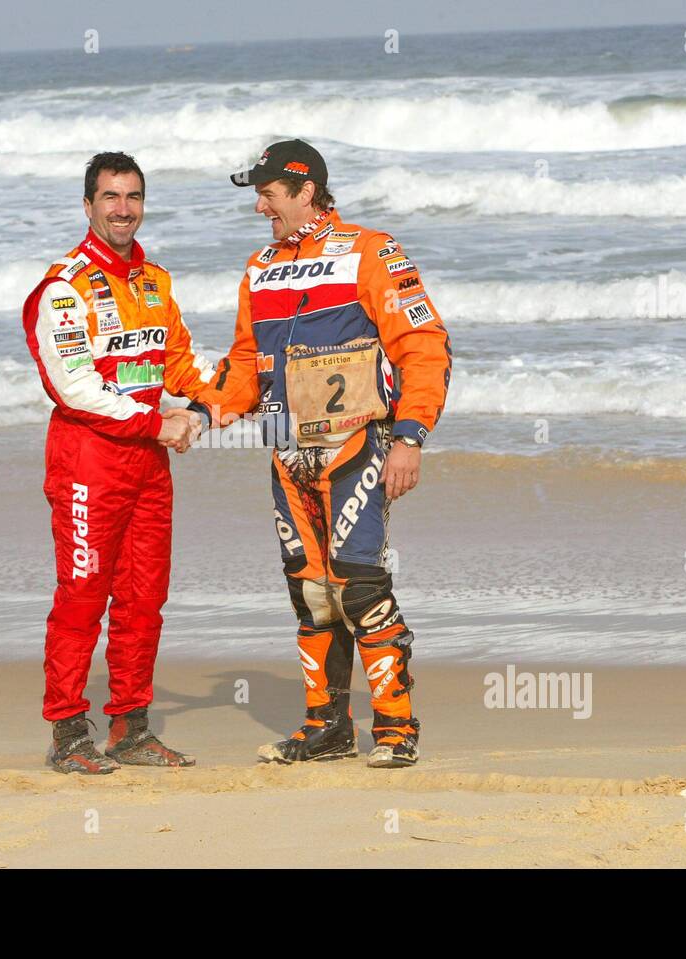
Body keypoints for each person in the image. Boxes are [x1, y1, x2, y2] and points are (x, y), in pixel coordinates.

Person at [189, 140, 451, 768]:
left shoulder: (370, 250)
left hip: (359, 444)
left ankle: (395, 728)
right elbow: (247, 367)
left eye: (268, 193)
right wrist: (201, 412)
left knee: (358, 585)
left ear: (306, 190)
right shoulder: (259, 268)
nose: (259, 206)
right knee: (310, 592)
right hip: (284, 447)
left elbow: (423, 345)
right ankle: (327, 728)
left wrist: (411, 437)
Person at [22, 151, 213, 774]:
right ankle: (68, 734)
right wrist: (162, 422)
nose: (123, 209)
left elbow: (179, 366)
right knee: (82, 597)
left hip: (149, 466)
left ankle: (130, 729)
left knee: (143, 598)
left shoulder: (155, 282)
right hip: (87, 462)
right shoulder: (63, 289)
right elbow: (72, 387)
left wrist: (228, 392)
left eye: (133, 197)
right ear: (88, 205)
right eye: (111, 197)